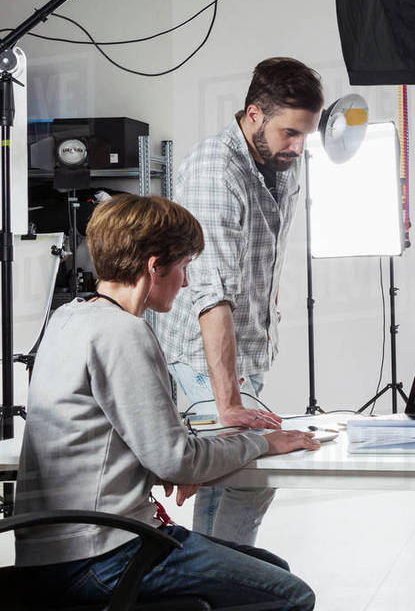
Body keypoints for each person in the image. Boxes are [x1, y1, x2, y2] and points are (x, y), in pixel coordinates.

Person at [14, 194, 321, 609]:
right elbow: (175, 460)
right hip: (103, 554)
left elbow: (128, 442)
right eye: (184, 267)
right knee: (291, 594)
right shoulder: (122, 332)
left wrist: (177, 458)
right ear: (154, 266)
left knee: (272, 567)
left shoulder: (68, 318)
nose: (188, 282)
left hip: (55, 553)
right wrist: (265, 442)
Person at [154, 56, 323, 545]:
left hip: (247, 345)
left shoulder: (280, 163)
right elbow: (212, 294)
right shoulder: (215, 171)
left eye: (305, 135)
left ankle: (216, 577)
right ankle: (227, 576)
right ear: (254, 115)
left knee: (227, 475)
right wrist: (228, 404)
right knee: (249, 466)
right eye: (289, 133)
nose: (298, 146)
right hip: (201, 350)